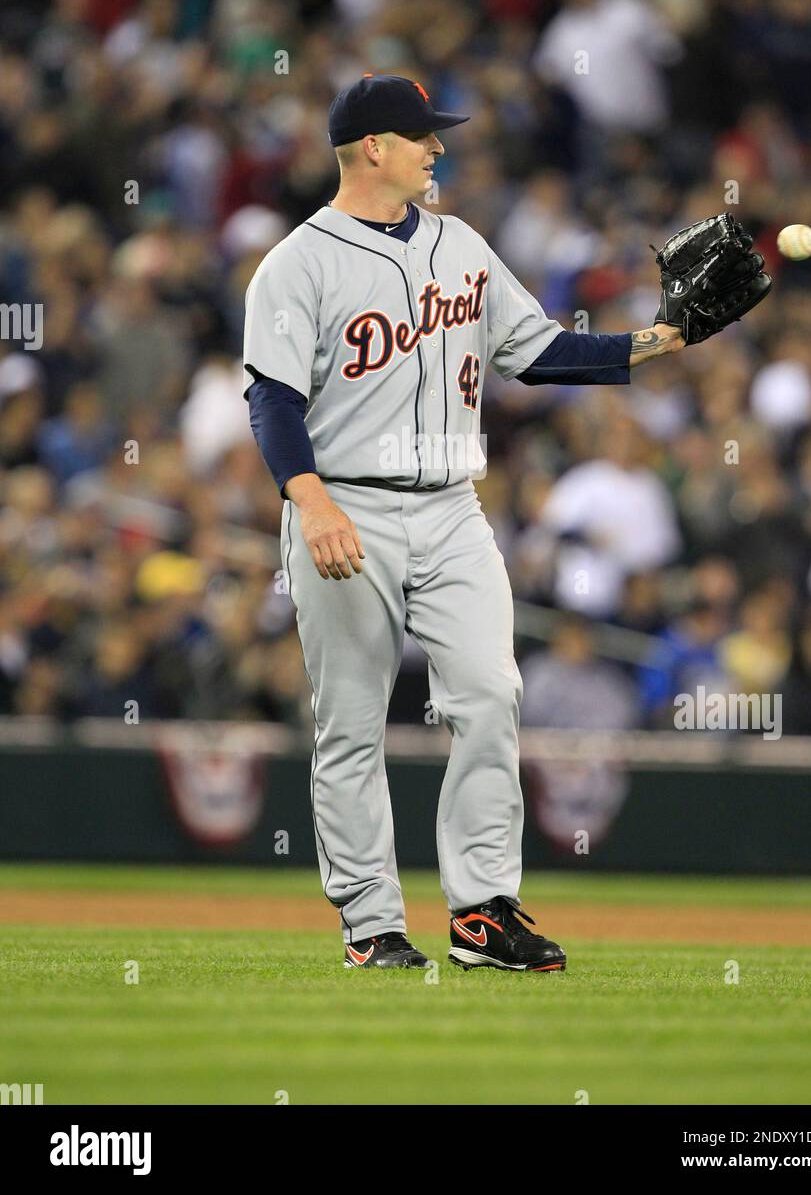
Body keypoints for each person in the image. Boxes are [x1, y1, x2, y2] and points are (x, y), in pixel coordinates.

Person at [242, 74, 683, 972]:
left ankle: (482, 913)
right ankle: (371, 924)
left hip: (451, 507)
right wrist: (310, 498)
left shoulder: (461, 245)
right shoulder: (299, 261)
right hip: (346, 507)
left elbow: (544, 351)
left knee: (491, 695)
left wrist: (657, 339)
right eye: (421, 136)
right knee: (353, 724)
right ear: (374, 147)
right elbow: (273, 400)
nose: (437, 148)